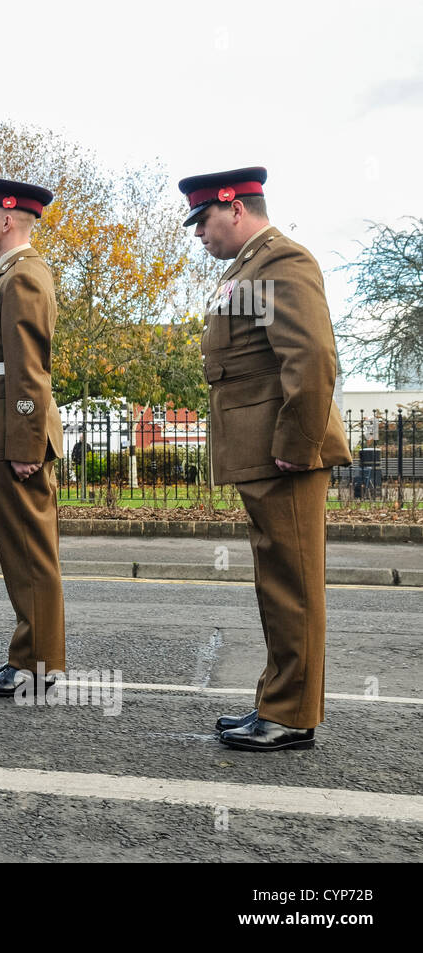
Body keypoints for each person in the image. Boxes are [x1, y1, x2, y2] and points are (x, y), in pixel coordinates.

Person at [179, 167, 352, 752]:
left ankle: (291, 715)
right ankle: (277, 704)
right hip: (264, 454)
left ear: (235, 208)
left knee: (293, 586)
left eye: (203, 220)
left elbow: (312, 356)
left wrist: (296, 446)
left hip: (285, 454)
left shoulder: (282, 262)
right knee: (276, 583)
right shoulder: (247, 270)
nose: (199, 233)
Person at [0, 177, 67, 698]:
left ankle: (38, 667)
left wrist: (27, 442)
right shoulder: (5, 274)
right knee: (20, 553)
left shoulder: (24, 276)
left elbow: (30, 369)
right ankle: (29, 658)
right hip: (0, 429)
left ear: (8, 219)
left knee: (30, 553)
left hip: (14, 434)